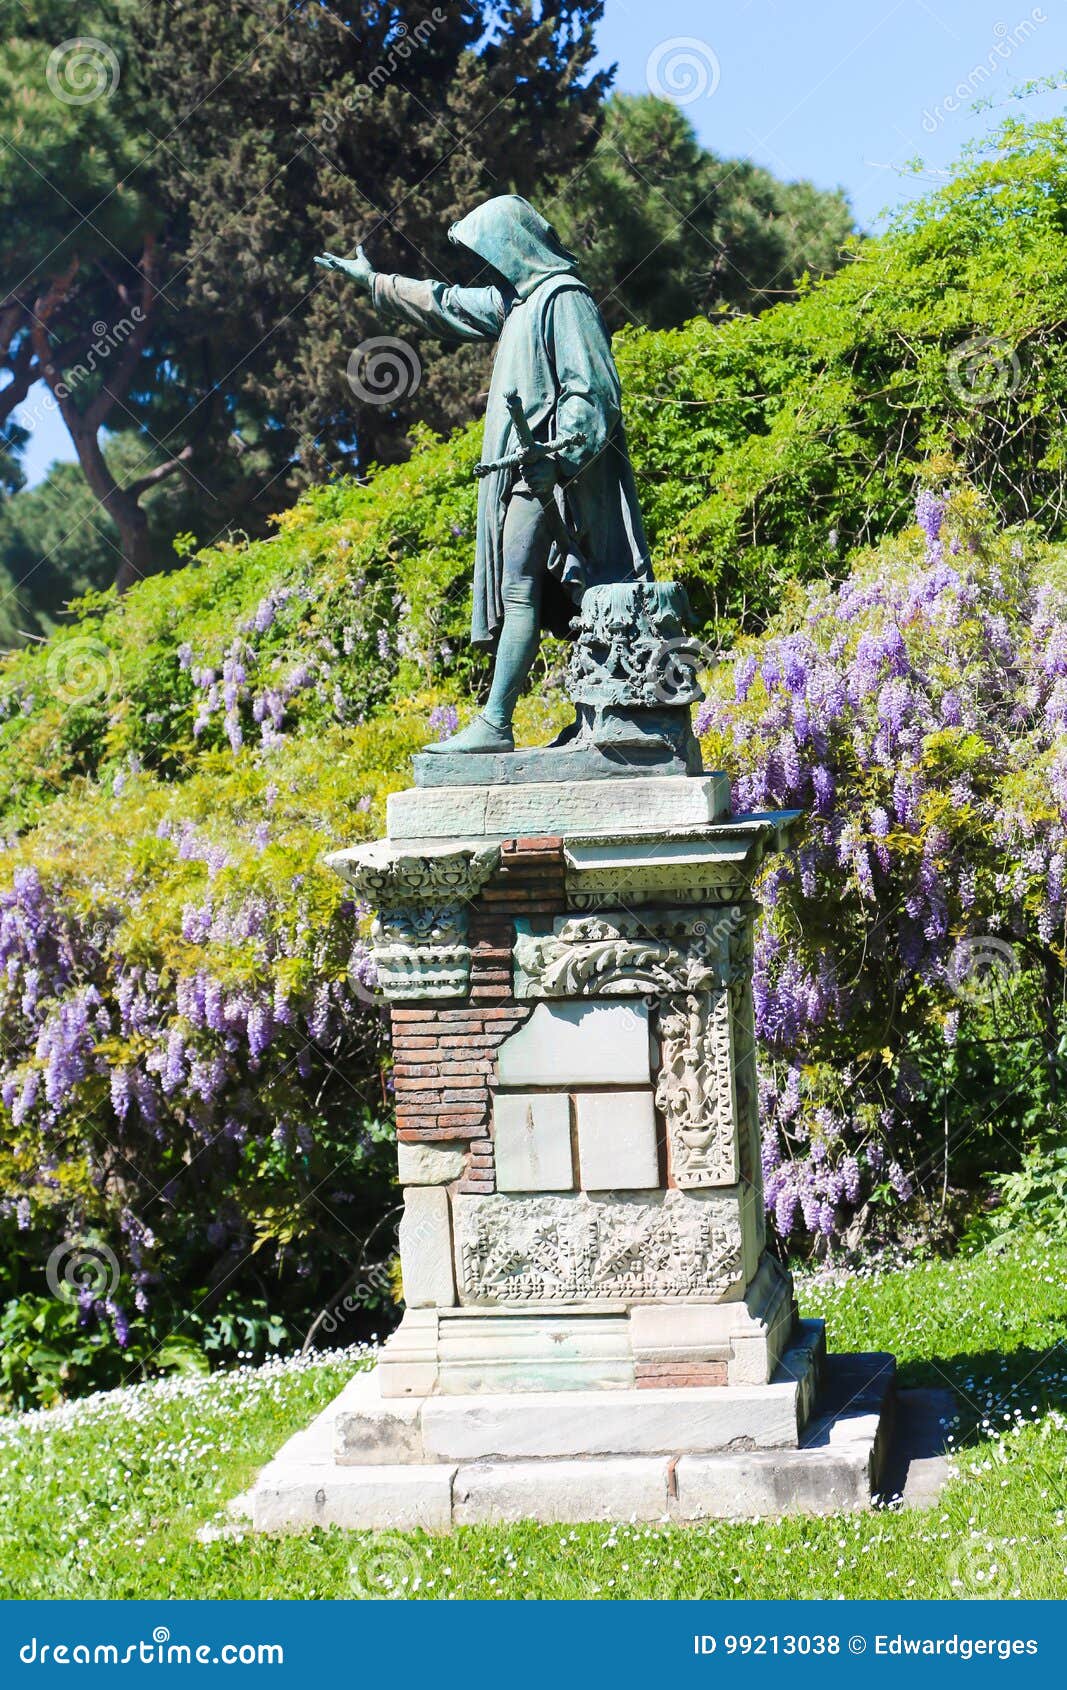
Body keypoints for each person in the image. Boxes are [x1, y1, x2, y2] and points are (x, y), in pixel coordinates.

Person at [316, 194, 653, 755]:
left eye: (491, 252)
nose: (487, 266)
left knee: (525, 587)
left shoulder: (563, 299)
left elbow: (591, 391)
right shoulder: (516, 305)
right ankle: (595, 714)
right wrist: (374, 282)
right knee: (561, 593)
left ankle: (497, 722)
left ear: (515, 246)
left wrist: (559, 455)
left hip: (548, 473)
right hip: (527, 470)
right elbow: (444, 304)